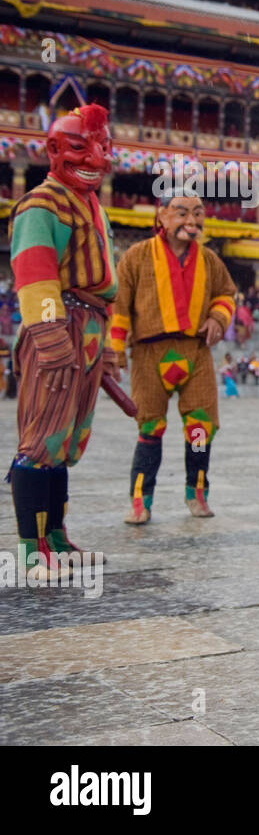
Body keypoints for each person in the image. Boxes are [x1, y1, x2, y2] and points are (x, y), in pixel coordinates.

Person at [6, 104, 116, 580]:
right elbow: (34, 274)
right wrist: (51, 338)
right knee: (42, 436)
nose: (96, 157)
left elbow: (103, 283)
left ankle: (56, 539)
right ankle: (31, 552)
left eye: (104, 147)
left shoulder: (92, 206)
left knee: (67, 438)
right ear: (54, 151)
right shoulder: (41, 205)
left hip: (89, 325)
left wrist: (105, 346)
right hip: (59, 324)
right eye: (80, 147)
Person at [108, 190, 238, 523]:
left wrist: (217, 318)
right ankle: (141, 500)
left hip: (195, 352)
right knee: (150, 427)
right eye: (182, 213)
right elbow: (119, 306)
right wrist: (116, 350)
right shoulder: (137, 256)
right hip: (149, 354)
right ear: (162, 215)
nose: (191, 222)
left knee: (200, 427)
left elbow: (226, 294)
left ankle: (197, 493)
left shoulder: (209, 259)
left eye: (198, 214)